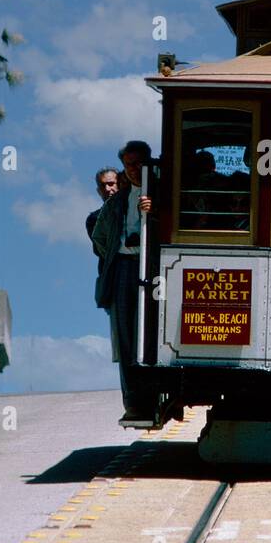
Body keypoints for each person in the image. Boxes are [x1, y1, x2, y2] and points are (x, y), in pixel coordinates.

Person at [92, 140, 157, 424]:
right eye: (129, 164)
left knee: (152, 334)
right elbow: (99, 237)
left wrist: (154, 212)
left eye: (139, 163)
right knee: (126, 337)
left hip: (154, 268)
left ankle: (153, 398)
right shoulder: (119, 199)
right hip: (123, 269)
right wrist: (116, 256)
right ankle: (133, 404)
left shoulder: (161, 190)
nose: (134, 169)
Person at [86, 167, 120, 257]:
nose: (107, 189)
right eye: (102, 186)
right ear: (98, 191)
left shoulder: (134, 209)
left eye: (111, 184)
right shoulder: (94, 219)